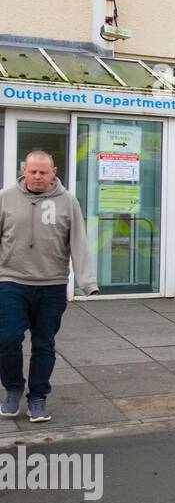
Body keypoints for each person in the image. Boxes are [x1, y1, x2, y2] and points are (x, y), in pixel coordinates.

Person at [0, 150, 99, 423]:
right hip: (11, 280)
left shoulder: (68, 201)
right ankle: (13, 388)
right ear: (24, 170)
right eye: (32, 171)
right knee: (7, 339)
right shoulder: (5, 197)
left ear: (53, 172)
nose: (37, 176)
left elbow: (78, 241)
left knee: (44, 344)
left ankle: (38, 397)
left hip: (52, 284)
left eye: (43, 172)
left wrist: (87, 282)